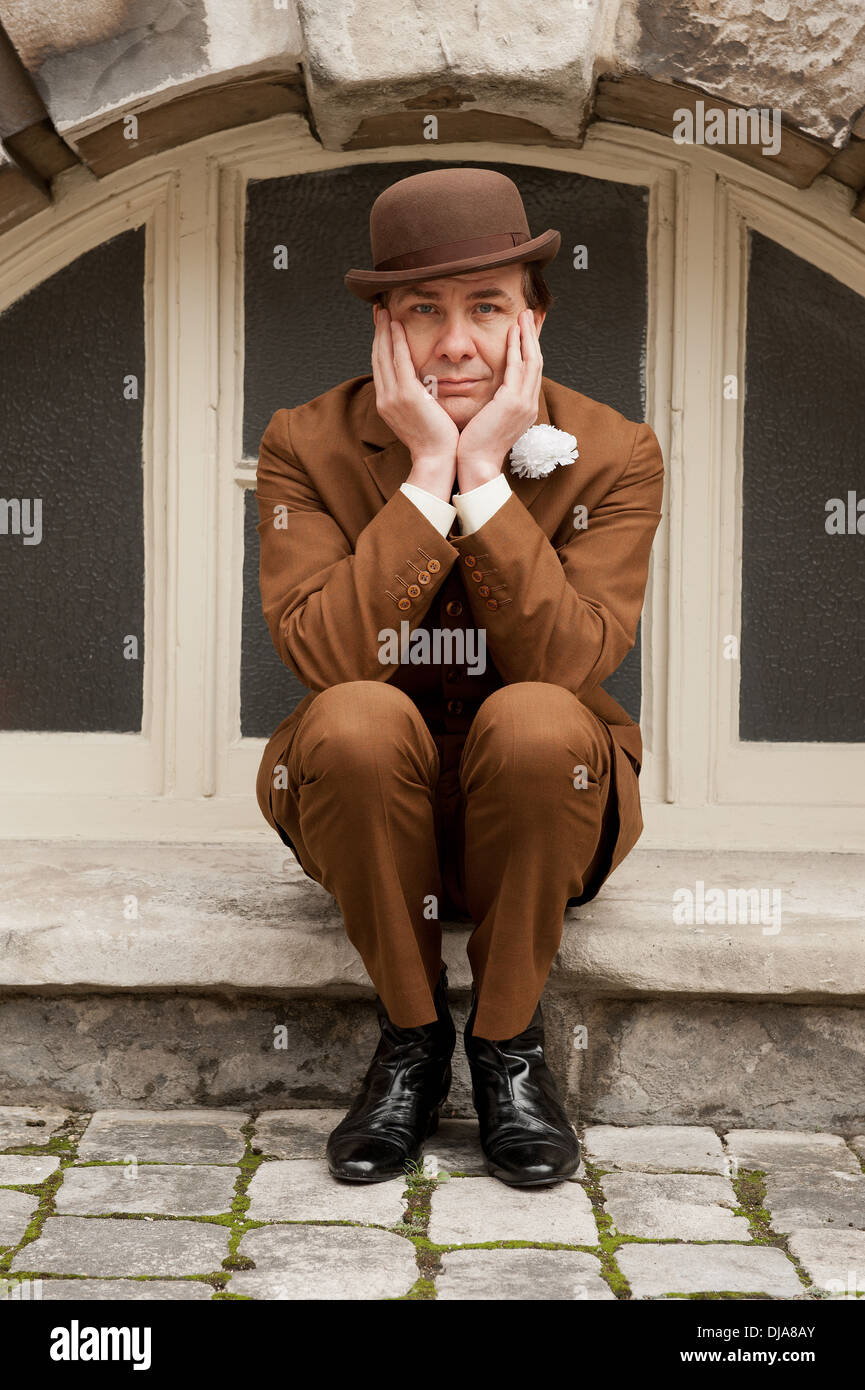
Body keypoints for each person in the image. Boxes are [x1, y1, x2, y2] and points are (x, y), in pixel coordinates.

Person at [255, 166, 664, 1187]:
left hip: (543, 811)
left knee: (535, 715)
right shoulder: (303, 442)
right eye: (422, 311)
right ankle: (410, 1037)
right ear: (383, 328)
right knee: (349, 715)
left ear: (533, 320)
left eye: (486, 307)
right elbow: (323, 655)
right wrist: (428, 471)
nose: (454, 343)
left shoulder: (615, 452)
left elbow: (571, 661)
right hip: (365, 819)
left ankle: (507, 1045)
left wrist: (487, 479)